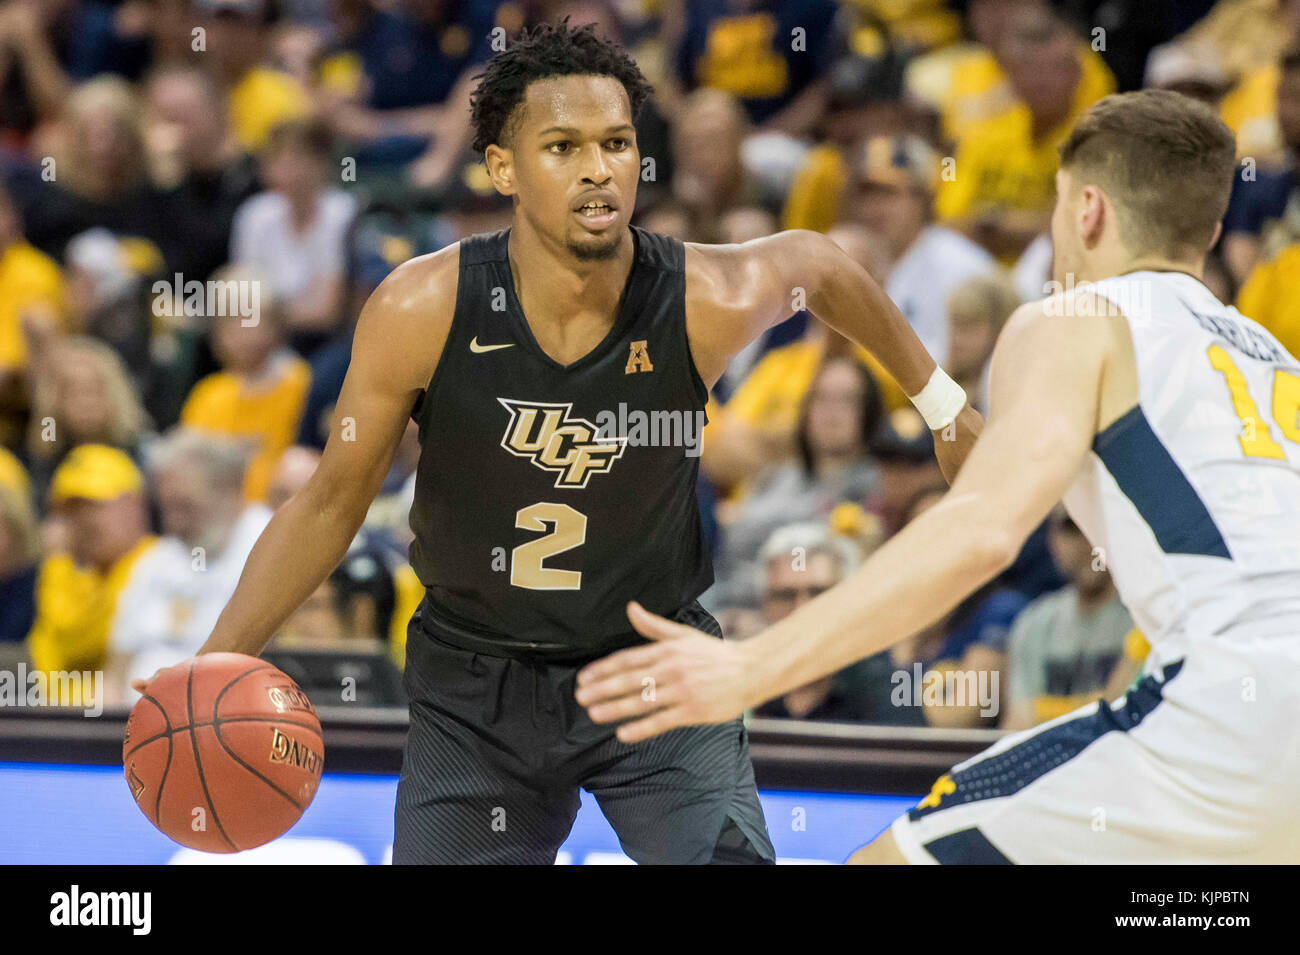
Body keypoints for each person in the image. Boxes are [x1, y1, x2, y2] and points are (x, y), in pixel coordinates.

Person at [131, 20, 979, 866]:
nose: (597, 167)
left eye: (617, 143)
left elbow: (819, 263)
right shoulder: (421, 307)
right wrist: (212, 665)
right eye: (563, 146)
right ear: (502, 167)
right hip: (476, 688)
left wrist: (945, 407)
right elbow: (329, 500)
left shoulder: (699, 297)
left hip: (652, 667)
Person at [576, 89, 1300, 864]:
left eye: (1056, 207)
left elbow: (982, 533)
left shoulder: (1077, 316)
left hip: (1231, 713)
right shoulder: (1274, 358)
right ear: (1213, 227)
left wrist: (750, 666)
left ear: (1088, 210)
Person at [1002, 506, 1134, 731]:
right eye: (1073, 529)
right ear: (1053, 541)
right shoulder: (1035, 622)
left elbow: (1131, 713)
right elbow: (1018, 722)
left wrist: (1044, 711)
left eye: (1093, 527)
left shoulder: (1142, 615)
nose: (1086, 544)